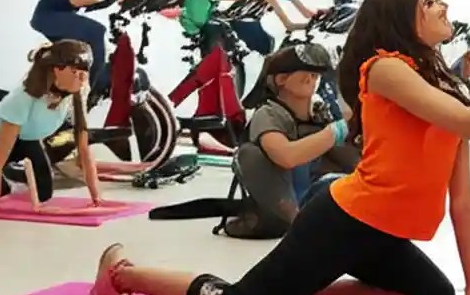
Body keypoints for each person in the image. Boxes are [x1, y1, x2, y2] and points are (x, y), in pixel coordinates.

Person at [85, 0, 470, 295]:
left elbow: (463, 200)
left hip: (381, 231)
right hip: (343, 219)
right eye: (429, 1)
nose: (443, 5)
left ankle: (317, 288)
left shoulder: (445, 86)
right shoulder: (385, 68)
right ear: (402, 19)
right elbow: (468, 123)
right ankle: (123, 272)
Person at [149, 44, 358, 238]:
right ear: (281, 79)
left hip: (311, 195)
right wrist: (337, 130)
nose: (313, 79)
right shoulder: (268, 114)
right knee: (251, 154)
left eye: (316, 75)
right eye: (307, 73)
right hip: (279, 200)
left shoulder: (319, 114)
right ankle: (292, 218)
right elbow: (286, 156)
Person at [0, 41, 107, 210]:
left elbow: (84, 150)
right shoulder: (25, 98)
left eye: (85, 72)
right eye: (75, 72)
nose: (82, 78)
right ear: (56, 69)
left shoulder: (78, 92)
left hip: (29, 134)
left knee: (44, 192)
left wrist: (96, 196)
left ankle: (12, 176)